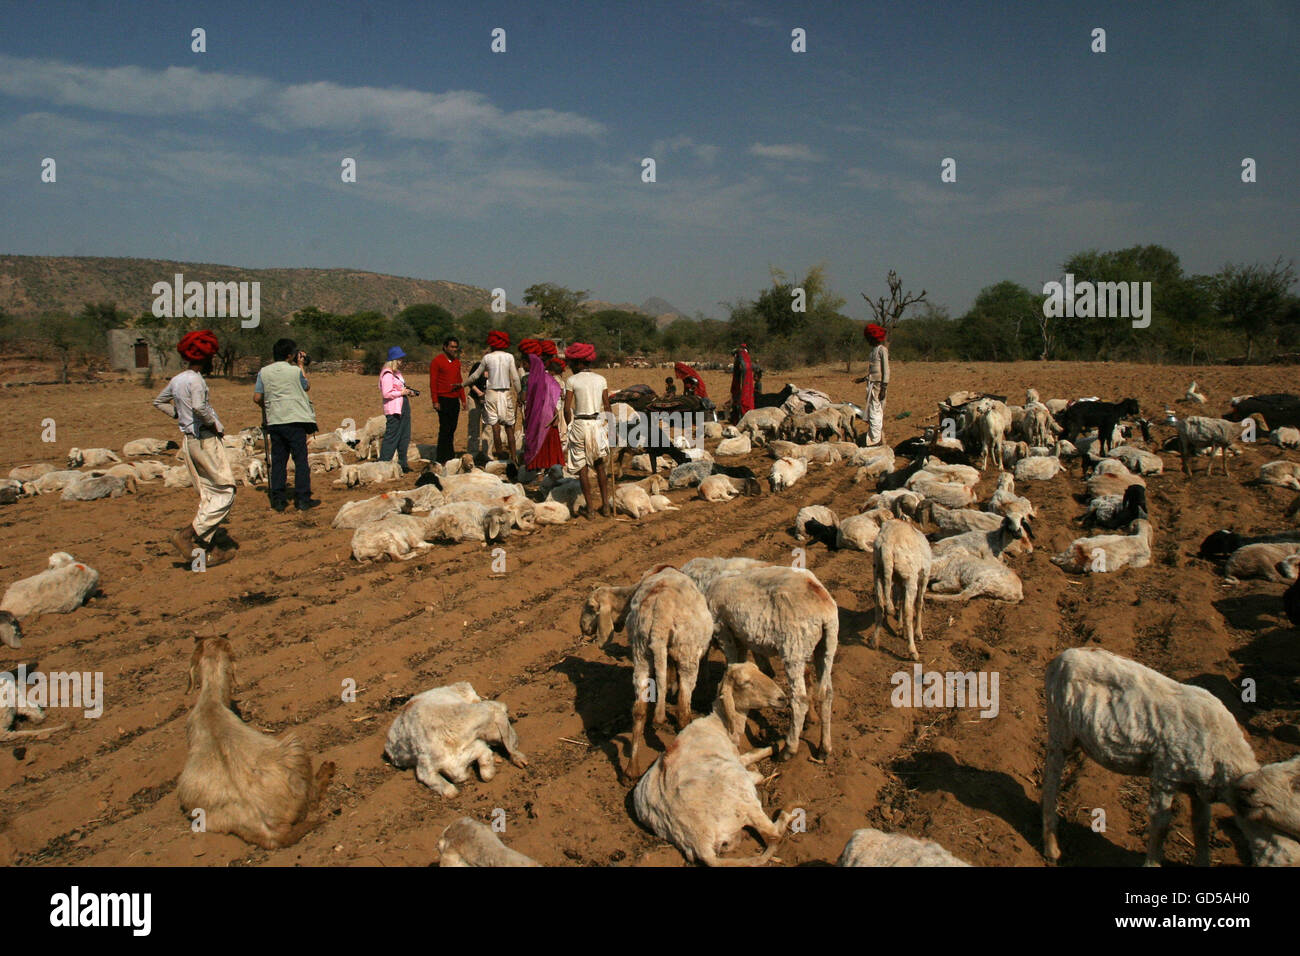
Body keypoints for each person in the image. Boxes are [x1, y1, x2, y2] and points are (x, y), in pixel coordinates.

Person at [152, 329, 237, 564]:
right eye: (211, 358)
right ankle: (186, 535)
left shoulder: (178, 379)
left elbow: (158, 401)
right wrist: (214, 425)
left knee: (209, 493)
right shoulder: (196, 380)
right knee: (226, 492)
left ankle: (209, 550)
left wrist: (179, 415)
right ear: (205, 358)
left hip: (189, 441)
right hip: (204, 439)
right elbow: (200, 407)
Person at [253, 338, 318, 512]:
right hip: (295, 420)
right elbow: (306, 386)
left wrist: (269, 406)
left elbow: (257, 397)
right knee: (300, 460)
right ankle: (303, 499)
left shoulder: (263, 372)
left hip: (275, 420)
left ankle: (278, 500)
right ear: (290, 355)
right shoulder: (295, 371)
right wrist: (301, 366)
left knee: (278, 461)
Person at [563, 342, 612, 518]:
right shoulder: (601, 379)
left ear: (578, 362)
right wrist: (609, 428)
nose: (570, 366)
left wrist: (570, 426)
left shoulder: (572, 381)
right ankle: (606, 507)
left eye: (571, 363)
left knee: (582, 467)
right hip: (596, 424)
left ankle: (590, 509)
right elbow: (607, 406)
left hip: (579, 424)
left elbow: (566, 408)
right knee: (600, 466)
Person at [465, 330, 521, 463]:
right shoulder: (507, 358)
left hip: (490, 396)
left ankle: (493, 453)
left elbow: (473, 377)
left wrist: (461, 385)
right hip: (489, 396)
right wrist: (520, 394)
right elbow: (515, 379)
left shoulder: (491, 362)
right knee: (505, 427)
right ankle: (510, 457)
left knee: (492, 427)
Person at [520, 339, 565, 472]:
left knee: (537, 440)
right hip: (547, 414)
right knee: (546, 441)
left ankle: (538, 467)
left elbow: (527, 397)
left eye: (525, 363)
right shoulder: (546, 377)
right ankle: (548, 467)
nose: (523, 366)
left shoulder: (532, 378)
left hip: (540, 415)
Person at [379, 346, 417, 471]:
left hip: (402, 405)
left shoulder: (397, 373)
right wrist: (401, 392)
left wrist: (408, 392)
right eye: (400, 359)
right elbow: (386, 393)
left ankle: (402, 464)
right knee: (392, 437)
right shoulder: (387, 374)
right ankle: (383, 464)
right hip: (393, 409)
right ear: (394, 360)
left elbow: (399, 388)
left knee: (404, 436)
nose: (402, 361)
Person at [429, 336, 466, 464]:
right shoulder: (437, 361)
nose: (454, 349)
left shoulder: (457, 362)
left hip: (454, 399)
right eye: (452, 347)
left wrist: (463, 399)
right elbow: (433, 382)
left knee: (452, 428)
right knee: (445, 428)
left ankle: (450, 455)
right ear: (445, 347)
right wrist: (435, 400)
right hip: (443, 398)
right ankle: (441, 457)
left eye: (456, 347)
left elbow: (459, 381)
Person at [854, 323, 890, 446]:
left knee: (875, 412)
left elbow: (886, 370)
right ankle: (875, 438)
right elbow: (874, 371)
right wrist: (863, 379)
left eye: (868, 338)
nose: (867, 341)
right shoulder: (873, 351)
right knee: (872, 412)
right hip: (872, 384)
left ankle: (875, 441)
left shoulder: (882, 350)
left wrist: (884, 388)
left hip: (878, 386)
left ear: (873, 338)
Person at [729, 343, 755, 425]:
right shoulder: (746, 358)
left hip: (743, 387)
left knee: (744, 400)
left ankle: (739, 418)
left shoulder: (742, 356)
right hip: (744, 386)